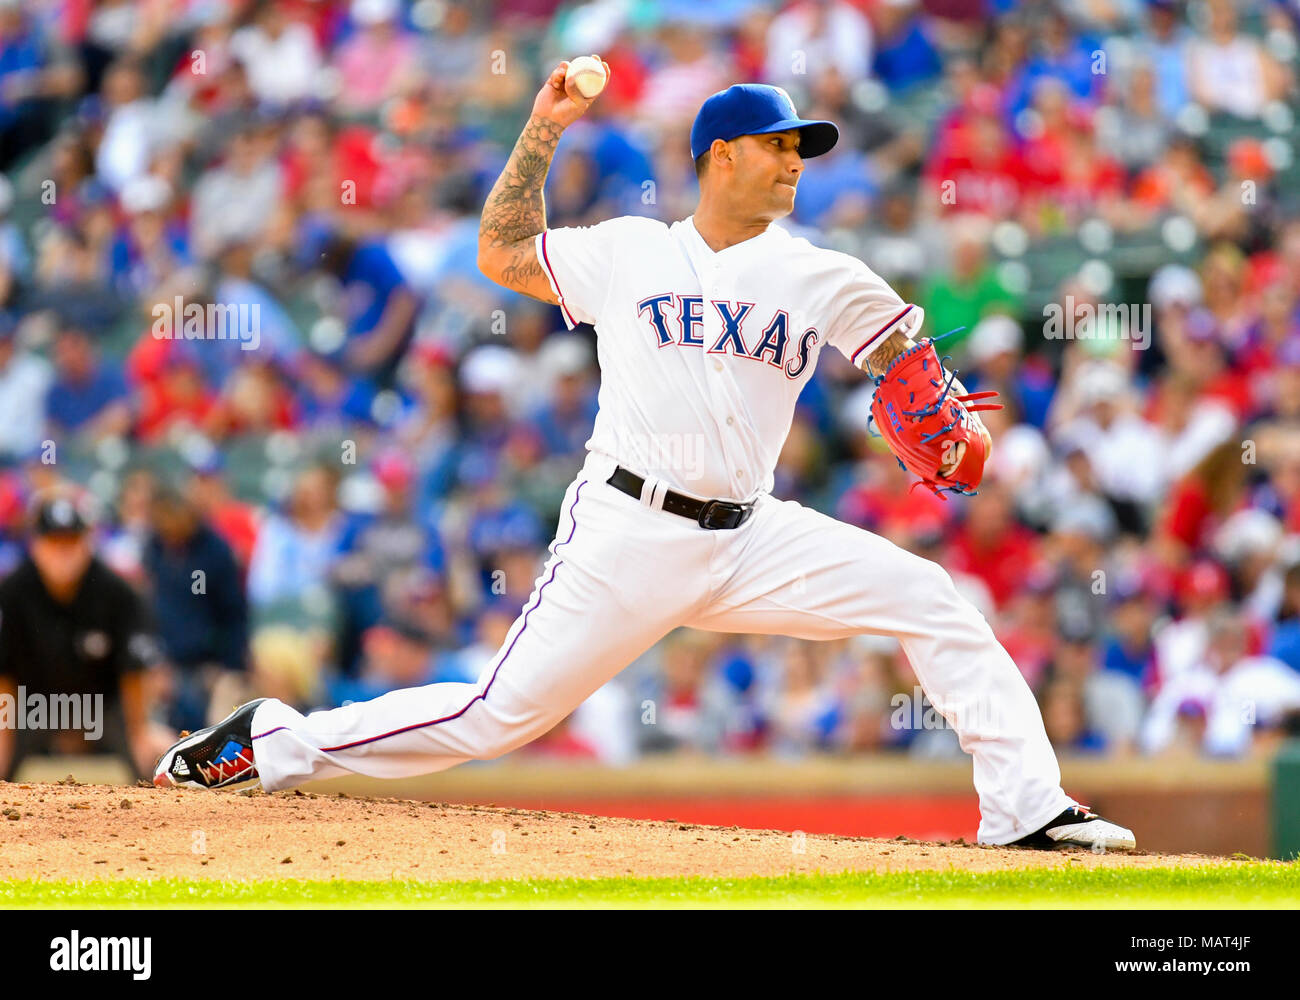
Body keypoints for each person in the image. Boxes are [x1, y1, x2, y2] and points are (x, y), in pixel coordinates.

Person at [154, 63, 1135, 852]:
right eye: (775, 145)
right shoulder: (625, 250)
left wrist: (961, 438)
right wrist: (542, 129)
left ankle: (1026, 808)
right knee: (495, 715)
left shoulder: (824, 274)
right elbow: (501, 254)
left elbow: (921, 381)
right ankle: (270, 741)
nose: (795, 160)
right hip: (626, 529)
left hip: (752, 535)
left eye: (802, 146)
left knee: (932, 598)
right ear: (716, 158)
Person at [0, 490, 158, 780]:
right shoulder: (10, 594)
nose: (63, 552)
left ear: (88, 543)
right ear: (35, 545)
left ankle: (164, 820)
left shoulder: (118, 593)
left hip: (103, 705)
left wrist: (140, 732)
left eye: (71, 541)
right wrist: (3, 739)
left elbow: (134, 672)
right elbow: (4, 675)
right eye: (54, 542)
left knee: (154, 757)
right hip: (34, 706)